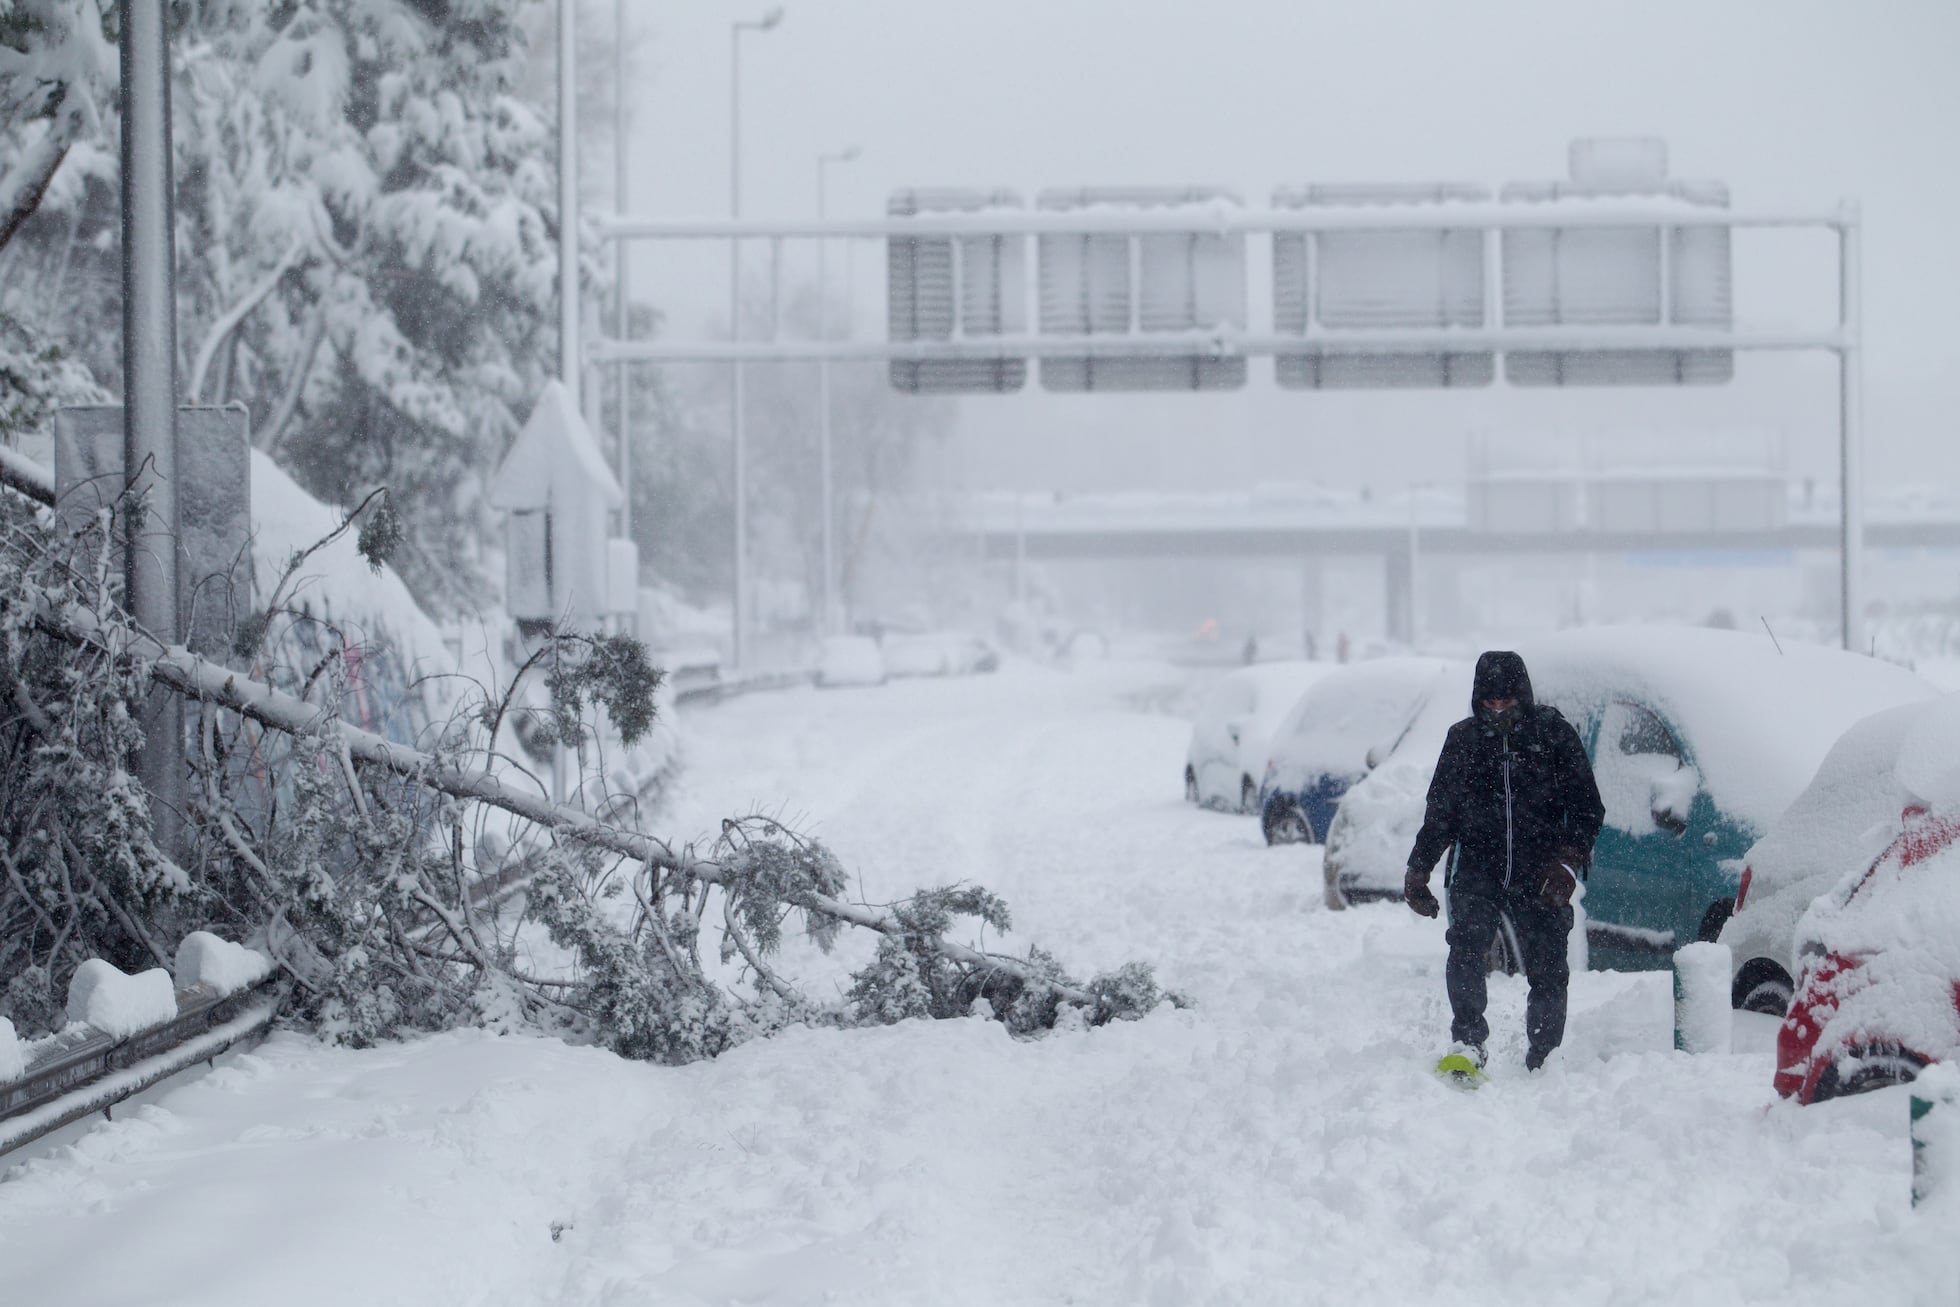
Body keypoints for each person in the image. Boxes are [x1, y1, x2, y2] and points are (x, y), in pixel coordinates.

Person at [1402, 650, 1604, 1072]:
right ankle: (1468, 1043)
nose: (1497, 711)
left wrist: (1567, 862)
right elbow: (1440, 813)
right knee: (1466, 951)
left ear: (1523, 698)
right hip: (1478, 866)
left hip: (1542, 870)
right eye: (1488, 704)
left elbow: (1588, 808)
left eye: (1506, 703)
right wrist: (1418, 870)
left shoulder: (1553, 734)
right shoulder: (1463, 740)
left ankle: (1545, 1053)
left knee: (1549, 964)